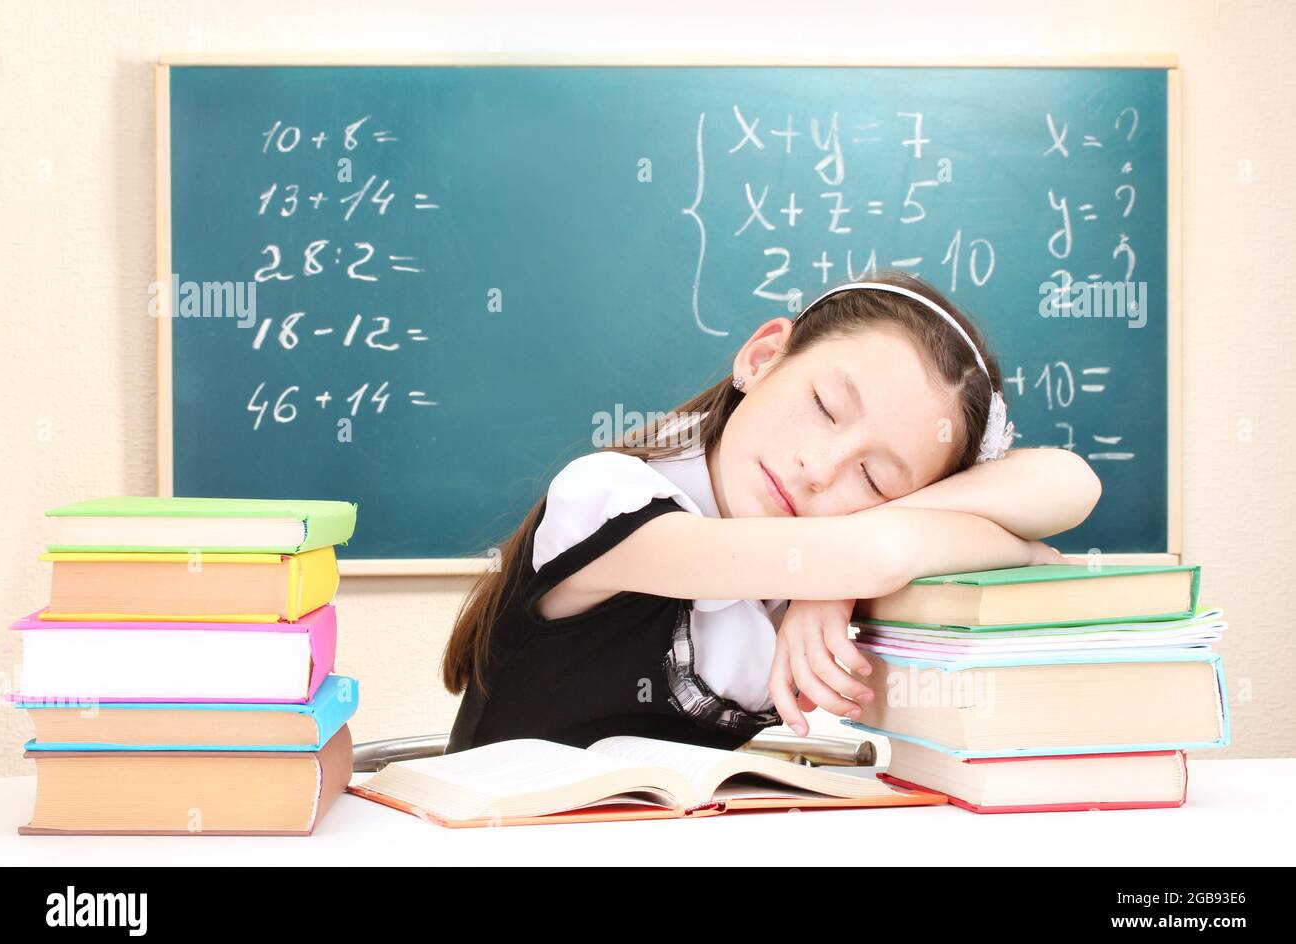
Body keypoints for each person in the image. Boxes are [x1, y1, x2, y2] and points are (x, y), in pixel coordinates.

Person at [442, 270, 1100, 753]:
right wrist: (1009, 548)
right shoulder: (605, 498)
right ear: (761, 358)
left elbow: (1071, 485)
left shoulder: (817, 562)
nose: (820, 469)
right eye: (825, 407)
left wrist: (831, 586)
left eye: (874, 477)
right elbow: (879, 554)